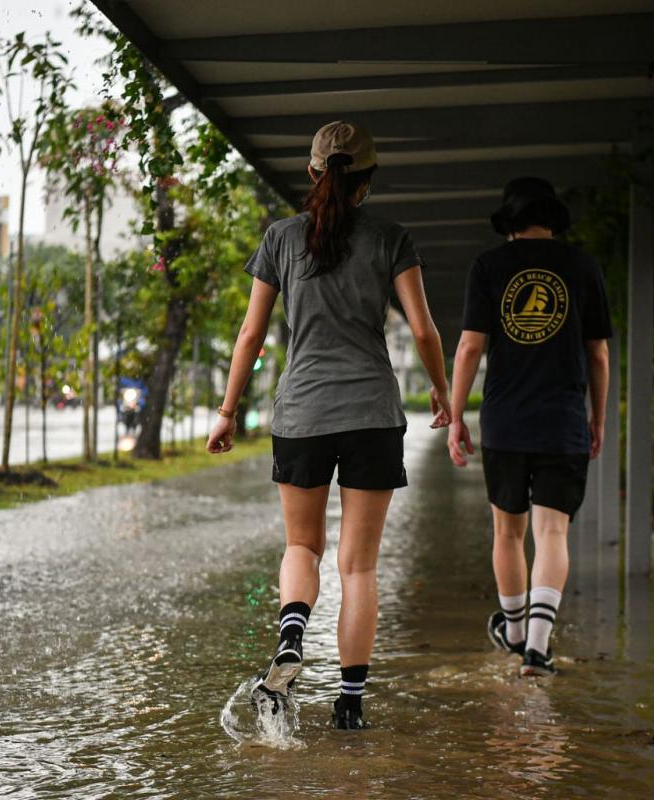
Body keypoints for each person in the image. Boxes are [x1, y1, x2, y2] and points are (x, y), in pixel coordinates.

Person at [207, 121, 451, 729]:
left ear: (314, 173)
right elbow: (423, 329)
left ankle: (292, 635)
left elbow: (251, 333)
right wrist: (444, 394)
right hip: (371, 413)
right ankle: (349, 703)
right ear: (367, 179)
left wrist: (227, 410)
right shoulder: (391, 238)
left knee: (301, 545)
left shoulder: (283, 238)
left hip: (303, 412)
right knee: (359, 566)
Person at [445, 176, 613, 677]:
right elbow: (598, 355)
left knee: (508, 530)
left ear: (511, 226)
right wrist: (596, 419)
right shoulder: (582, 266)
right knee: (552, 530)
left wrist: (456, 417)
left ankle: (515, 633)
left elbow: (470, 347)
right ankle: (538, 648)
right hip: (562, 420)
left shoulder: (489, 266)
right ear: (552, 221)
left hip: (505, 421)